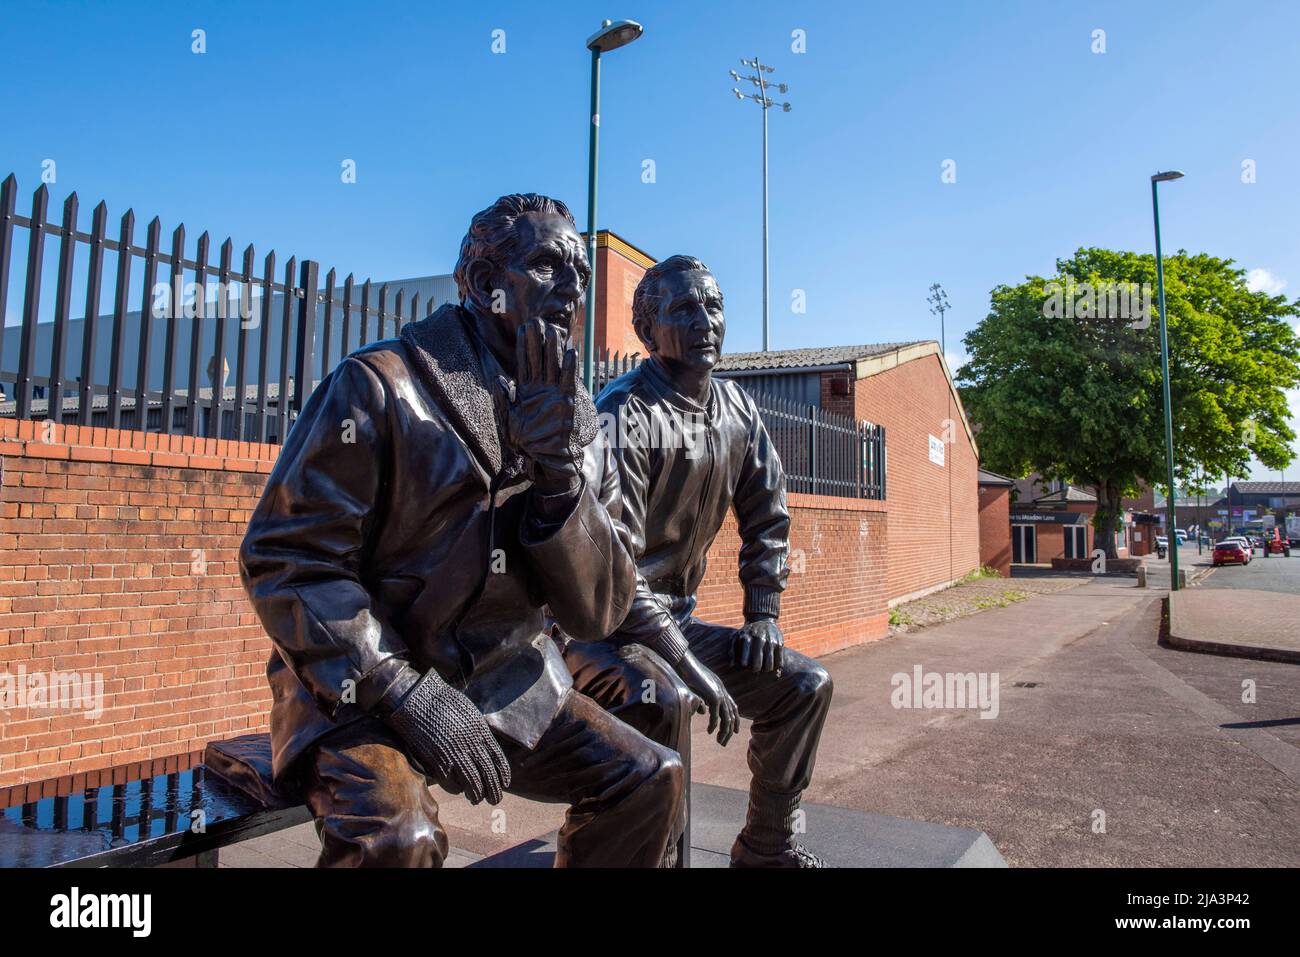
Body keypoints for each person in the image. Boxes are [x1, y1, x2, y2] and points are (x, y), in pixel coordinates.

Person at [239, 195, 684, 867]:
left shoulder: (581, 421)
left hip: (510, 682)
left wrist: (559, 477)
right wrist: (402, 689)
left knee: (651, 776)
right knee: (400, 840)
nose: (570, 287)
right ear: (483, 284)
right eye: (545, 264)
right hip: (362, 693)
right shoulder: (379, 386)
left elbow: (599, 611)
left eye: (580, 273)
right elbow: (287, 558)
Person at [564, 254, 833, 868]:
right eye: (683, 308)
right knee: (663, 698)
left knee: (804, 685)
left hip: (674, 626)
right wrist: (686, 663)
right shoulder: (622, 413)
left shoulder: (738, 408)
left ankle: (768, 846)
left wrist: (762, 613)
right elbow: (614, 565)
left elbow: (769, 513)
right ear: (648, 330)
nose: (705, 320)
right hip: (599, 631)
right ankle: (651, 856)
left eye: (713, 305)